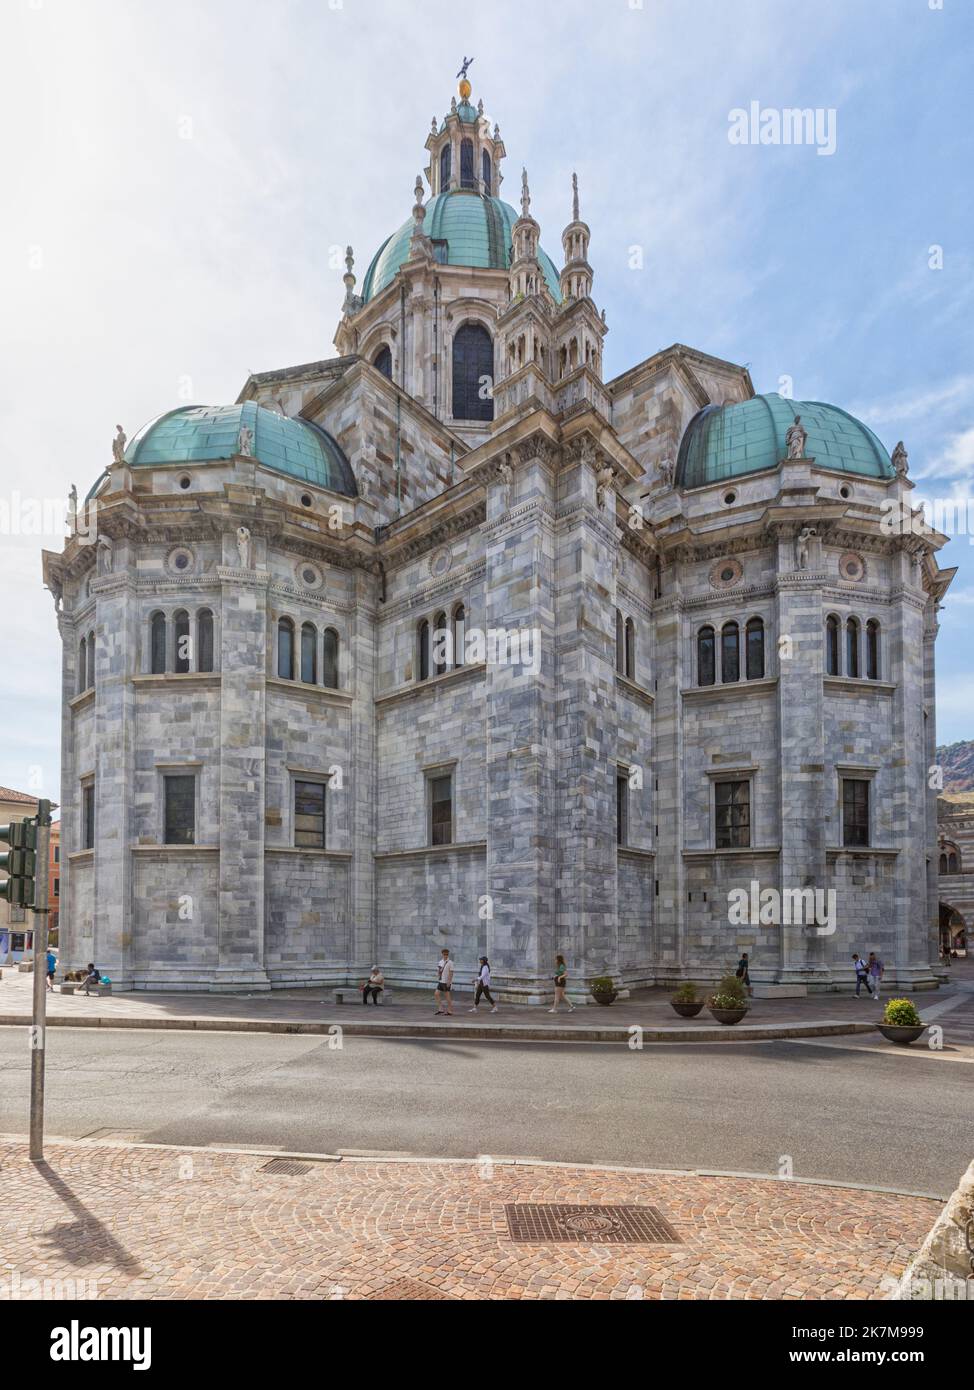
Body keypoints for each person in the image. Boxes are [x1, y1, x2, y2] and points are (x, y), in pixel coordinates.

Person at [434, 948, 455, 1016]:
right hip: (441, 981)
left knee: (447, 996)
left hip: (446, 982)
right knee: (436, 994)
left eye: (447, 954)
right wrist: (438, 974)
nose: (446, 955)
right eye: (444, 954)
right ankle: (441, 1009)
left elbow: (451, 972)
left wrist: (449, 981)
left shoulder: (450, 962)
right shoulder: (440, 961)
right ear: (442, 954)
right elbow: (439, 969)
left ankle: (450, 1011)